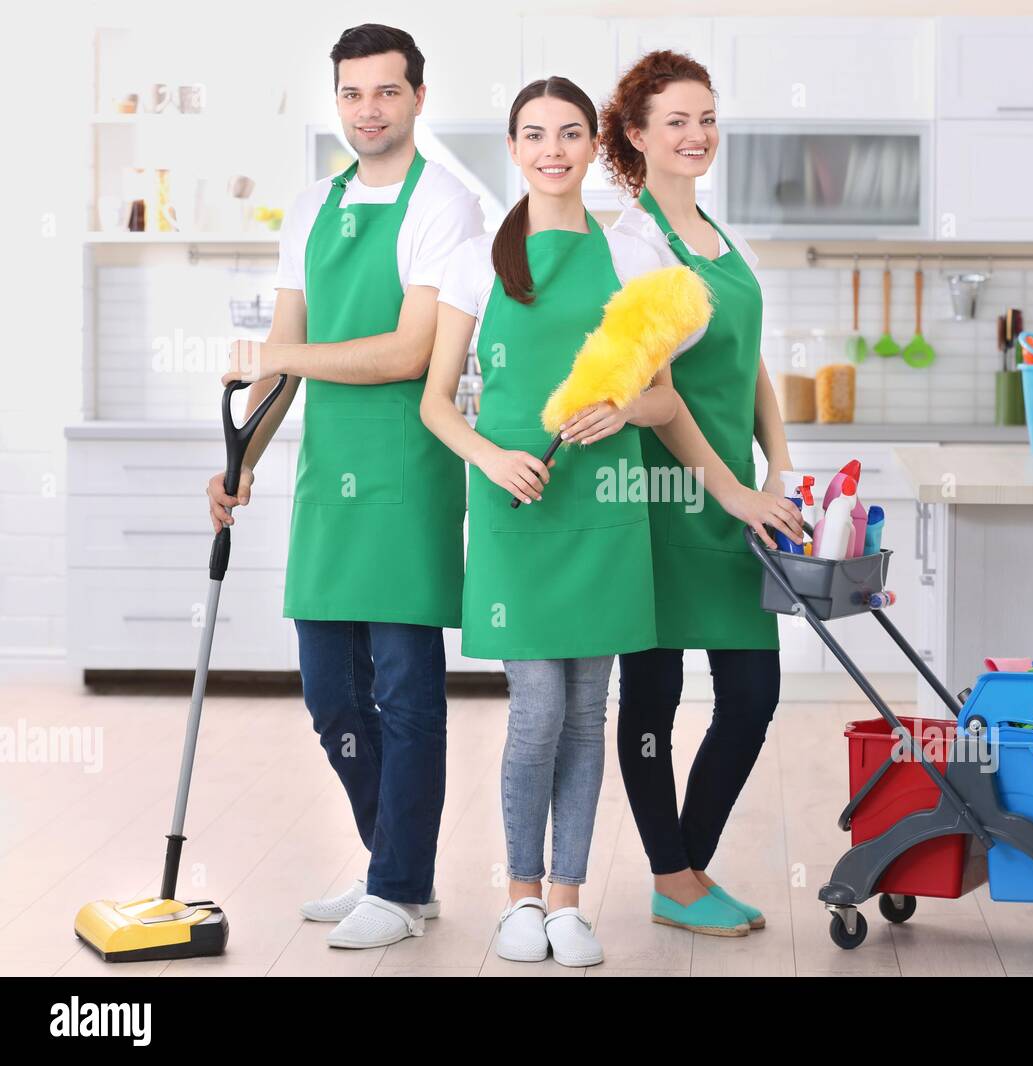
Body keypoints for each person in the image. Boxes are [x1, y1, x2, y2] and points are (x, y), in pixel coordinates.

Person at [210, 24, 483, 949]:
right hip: (329, 477)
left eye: (387, 91)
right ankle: (391, 871)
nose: (369, 109)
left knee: (406, 692)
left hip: (408, 472)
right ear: (338, 101)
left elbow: (410, 351)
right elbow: (286, 366)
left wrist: (276, 353)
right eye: (353, 93)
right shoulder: (309, 208)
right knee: (332, 695)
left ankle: (399, 883)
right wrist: (243, 460)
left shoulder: (444, 204)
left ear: (417, 97)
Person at [421, 76, 684, 966]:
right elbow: (435, 403)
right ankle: (518, 896)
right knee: (536, 708)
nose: (553, 150)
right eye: (534, 135)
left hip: (605, 510)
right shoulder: (476, 260)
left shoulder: (633, 260)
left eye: (570, 133)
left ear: (592, 145)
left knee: (586, 713)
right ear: (514, 148)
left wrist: (624, 411)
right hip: (514, 506)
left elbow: (663, 401)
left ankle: (567, 902)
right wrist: (491, 457)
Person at [599, 49, 803, 936]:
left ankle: (684, 866)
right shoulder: (634, 242)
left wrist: (780, 465)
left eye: (707, 118)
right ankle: (674, 878)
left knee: (751, 694)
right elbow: (654, 394)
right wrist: (732, 492)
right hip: (660, 499)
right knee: (653, 696)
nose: (696, 135)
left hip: (734, 498)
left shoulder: (726, 237)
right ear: (636, 137)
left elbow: (750, 357)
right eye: (675, 121)